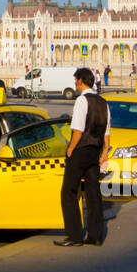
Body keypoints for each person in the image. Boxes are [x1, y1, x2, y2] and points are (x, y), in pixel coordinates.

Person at [55, 68, 109, 247]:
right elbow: (107, 133)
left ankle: (74, 236)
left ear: (80, 81)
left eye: (75, 80)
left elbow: (77, 130)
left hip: (80, 150)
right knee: (93, 194)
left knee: (69, 192)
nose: (74, 84)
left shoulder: (81, 100)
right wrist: (104, 154)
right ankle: (95, 236)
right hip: (95, 151)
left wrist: (70, 149)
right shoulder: (103, 102)